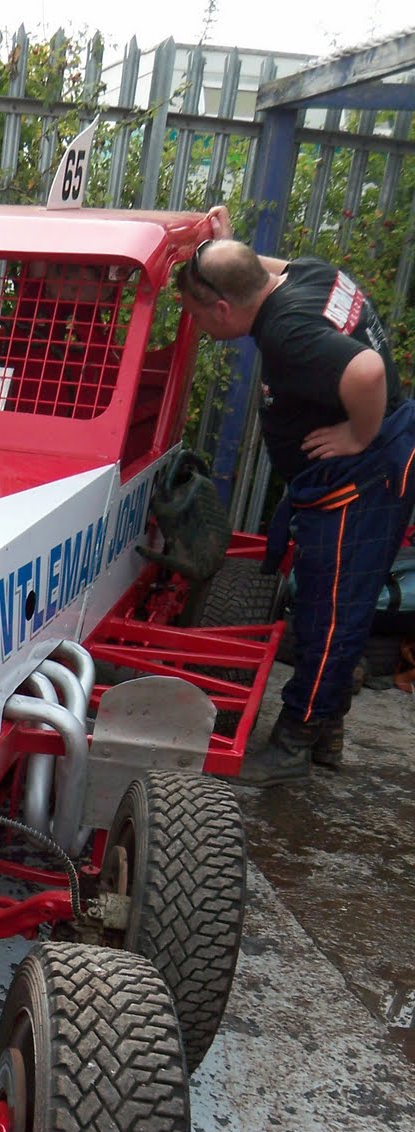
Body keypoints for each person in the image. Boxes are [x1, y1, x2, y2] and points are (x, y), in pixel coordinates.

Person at [177, 206, 415, 785]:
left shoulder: (287, 332)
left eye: (201, 318)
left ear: (225, 307)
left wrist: (358, 433)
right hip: (357, 472)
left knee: (331, 613)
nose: (203, 328)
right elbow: (251, 267)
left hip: (362, 479)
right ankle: (327, 727)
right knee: (330, 600)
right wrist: (223, 245)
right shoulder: (304, 274)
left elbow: (364, 372)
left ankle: (292, 742)